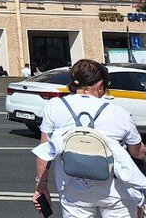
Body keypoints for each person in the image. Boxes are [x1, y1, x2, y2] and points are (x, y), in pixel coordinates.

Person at [33, 59, 146, 217]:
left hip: (72, 188)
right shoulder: (119, 113)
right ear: (100, 85)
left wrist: (41, 186)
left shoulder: (54, 107)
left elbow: (44, 151)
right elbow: (137, 153)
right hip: (114, 191)